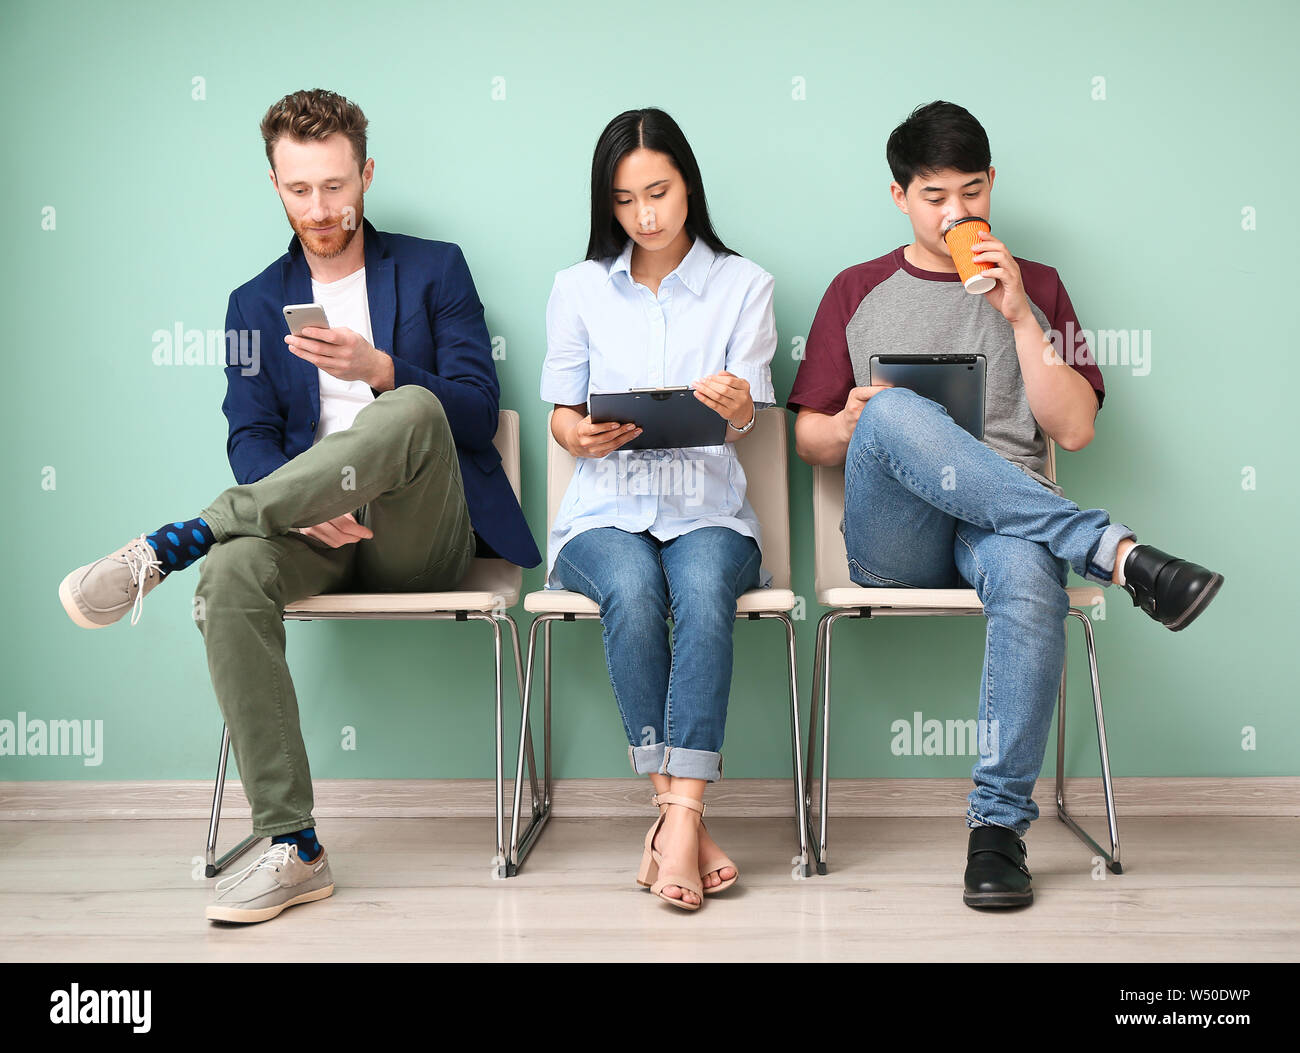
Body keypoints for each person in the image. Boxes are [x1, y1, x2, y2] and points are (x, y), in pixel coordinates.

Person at [57, 89, 540, 924]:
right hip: (310, 528)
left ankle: (187, 534)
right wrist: (305, 500)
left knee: (414, 409)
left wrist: (378, 366)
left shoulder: (435, 268)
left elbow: (472, 409)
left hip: (420, 528)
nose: (320, 208)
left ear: (367, 173)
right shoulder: (253, 301)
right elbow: (248, 434)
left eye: (335, 186)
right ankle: (296, 847)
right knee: (232, 574)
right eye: (299, 189)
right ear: (274, 183)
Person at [787, 100, 1223, 910]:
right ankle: (1116, 551)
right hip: (899, 541)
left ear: (994, 185)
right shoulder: (855, 289)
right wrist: (853, 420)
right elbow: (809, 439)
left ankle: (997, 831)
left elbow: (1077, 428)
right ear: (898, 197)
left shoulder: (1042, 285)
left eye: (972, 192)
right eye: (934, 196)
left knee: (1029, 578)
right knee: (889, 408)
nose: (956, 213)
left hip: (1007, 526)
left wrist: (1018, 313)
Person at [541, 108, 777, 911]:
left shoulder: (746, 285)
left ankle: (675, 821)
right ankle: (683, 818)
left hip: (710, 510)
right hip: (602, 511)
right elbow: (560, 416)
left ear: (688, 186)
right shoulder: (576, 288)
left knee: (705, 590)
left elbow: (747, 419)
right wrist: (580, 430)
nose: (645, 215)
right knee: (634, 591)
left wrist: (739, 404)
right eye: (625, 200)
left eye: (659, 192)